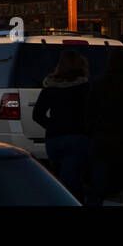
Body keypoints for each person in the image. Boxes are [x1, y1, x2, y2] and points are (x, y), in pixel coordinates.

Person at [86, 47, 123, 206]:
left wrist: (93, 133)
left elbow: (90, 113)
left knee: (98, 188)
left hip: (102, 142)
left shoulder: (98, 83)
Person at [33, 50, 92, 200]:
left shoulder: (51, 87)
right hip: (78, 138)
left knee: (61, 179)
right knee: (73, 183)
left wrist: (53, 125)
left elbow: (37, 115)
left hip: (54, 140)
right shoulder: (84, 88)